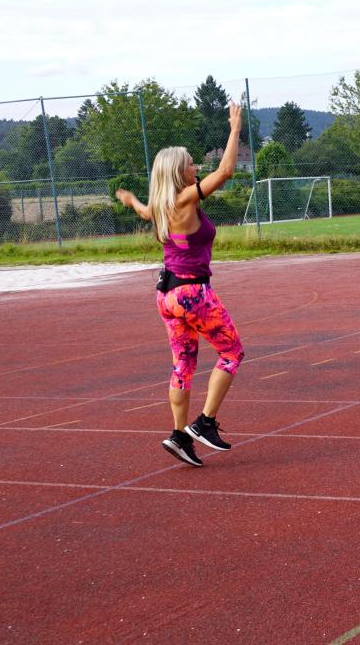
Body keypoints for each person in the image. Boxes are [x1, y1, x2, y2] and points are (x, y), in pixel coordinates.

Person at [115, 102, 245, 468]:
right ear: (178, 171)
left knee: (182, 365)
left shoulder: (158, 206)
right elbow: (227, 170)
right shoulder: (185, 200)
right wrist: (235, 128)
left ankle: (178, 436)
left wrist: (130, 200)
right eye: (190, 163)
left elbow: (143, 211)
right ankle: (204, 423)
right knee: (232, 354)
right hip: (193, 294)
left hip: (167, 296)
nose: (196, 167)